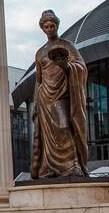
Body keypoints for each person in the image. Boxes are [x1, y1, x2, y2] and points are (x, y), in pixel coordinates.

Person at [30, 11, 89, 180]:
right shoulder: (40, 52)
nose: (49, 29)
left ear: (57, 25)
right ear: (42, 28)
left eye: (52, 25)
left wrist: (67, 66)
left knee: (63, 126)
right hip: (44, 97)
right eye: (46, 26)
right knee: (47, 135)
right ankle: (48, 168)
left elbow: (81, 66)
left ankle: (72, 166)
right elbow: (38, 80)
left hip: (62, 93)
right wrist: (35, 103)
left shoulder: (67, 45)